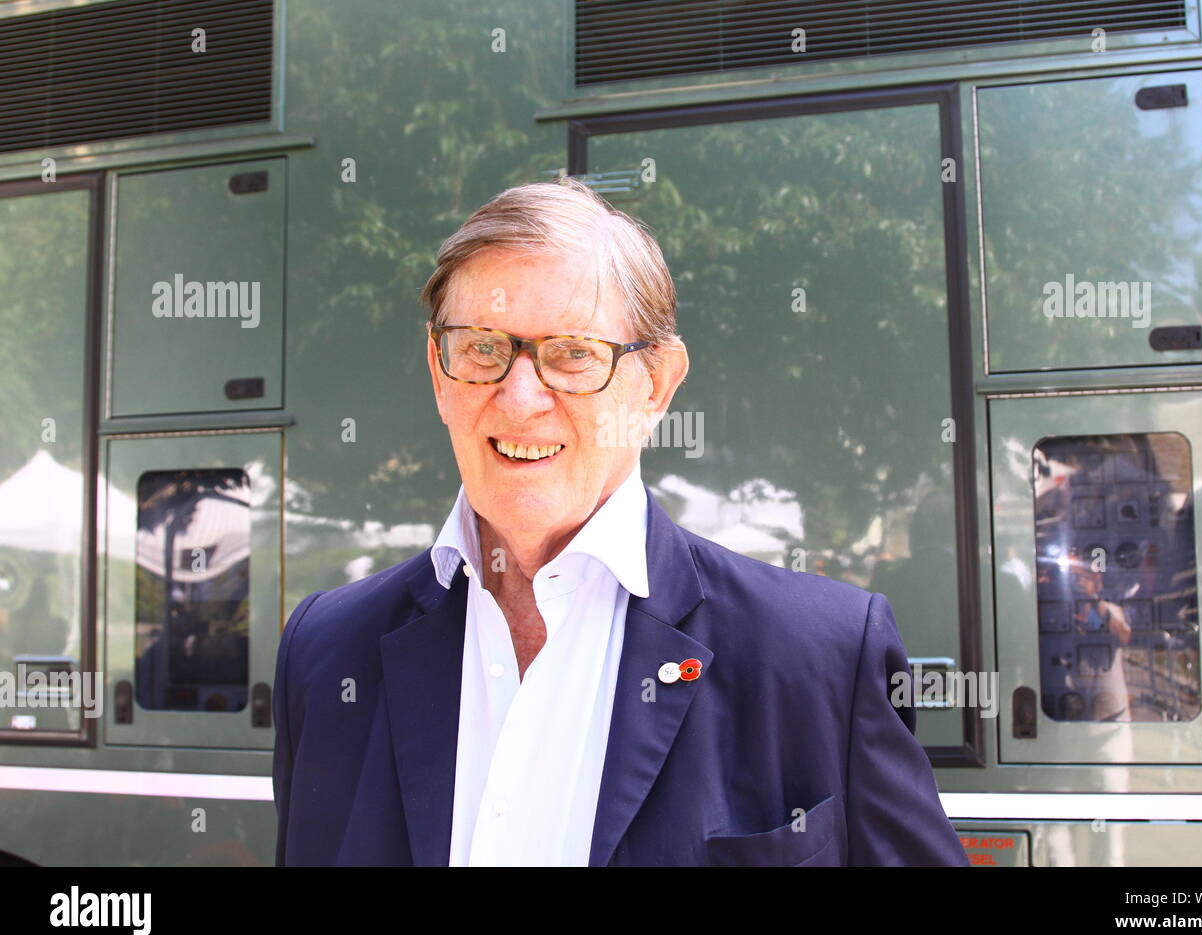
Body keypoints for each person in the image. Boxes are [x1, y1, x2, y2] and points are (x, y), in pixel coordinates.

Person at [272, 177, 969, 866]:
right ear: (438, 371)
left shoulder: (819, 658)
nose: (519, 400)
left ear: (657, 385)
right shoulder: (326, 653)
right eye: (483, 348)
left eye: (573, 354)